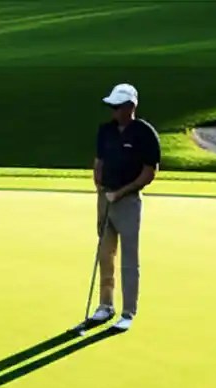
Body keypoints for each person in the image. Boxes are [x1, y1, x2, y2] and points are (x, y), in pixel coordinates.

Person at [91, 83, 160, 331]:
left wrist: (121, 192)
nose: (114, 111)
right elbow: (98, 162)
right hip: (104, 199)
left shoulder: (145, 133)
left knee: (129, 258)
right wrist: (100, 187)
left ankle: (128, 312)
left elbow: (149, 172)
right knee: (105, 253)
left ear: (131, 106)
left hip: (128, 201)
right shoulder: (105, 131)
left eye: (118, 107)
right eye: (112, 107)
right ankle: (104, 306)